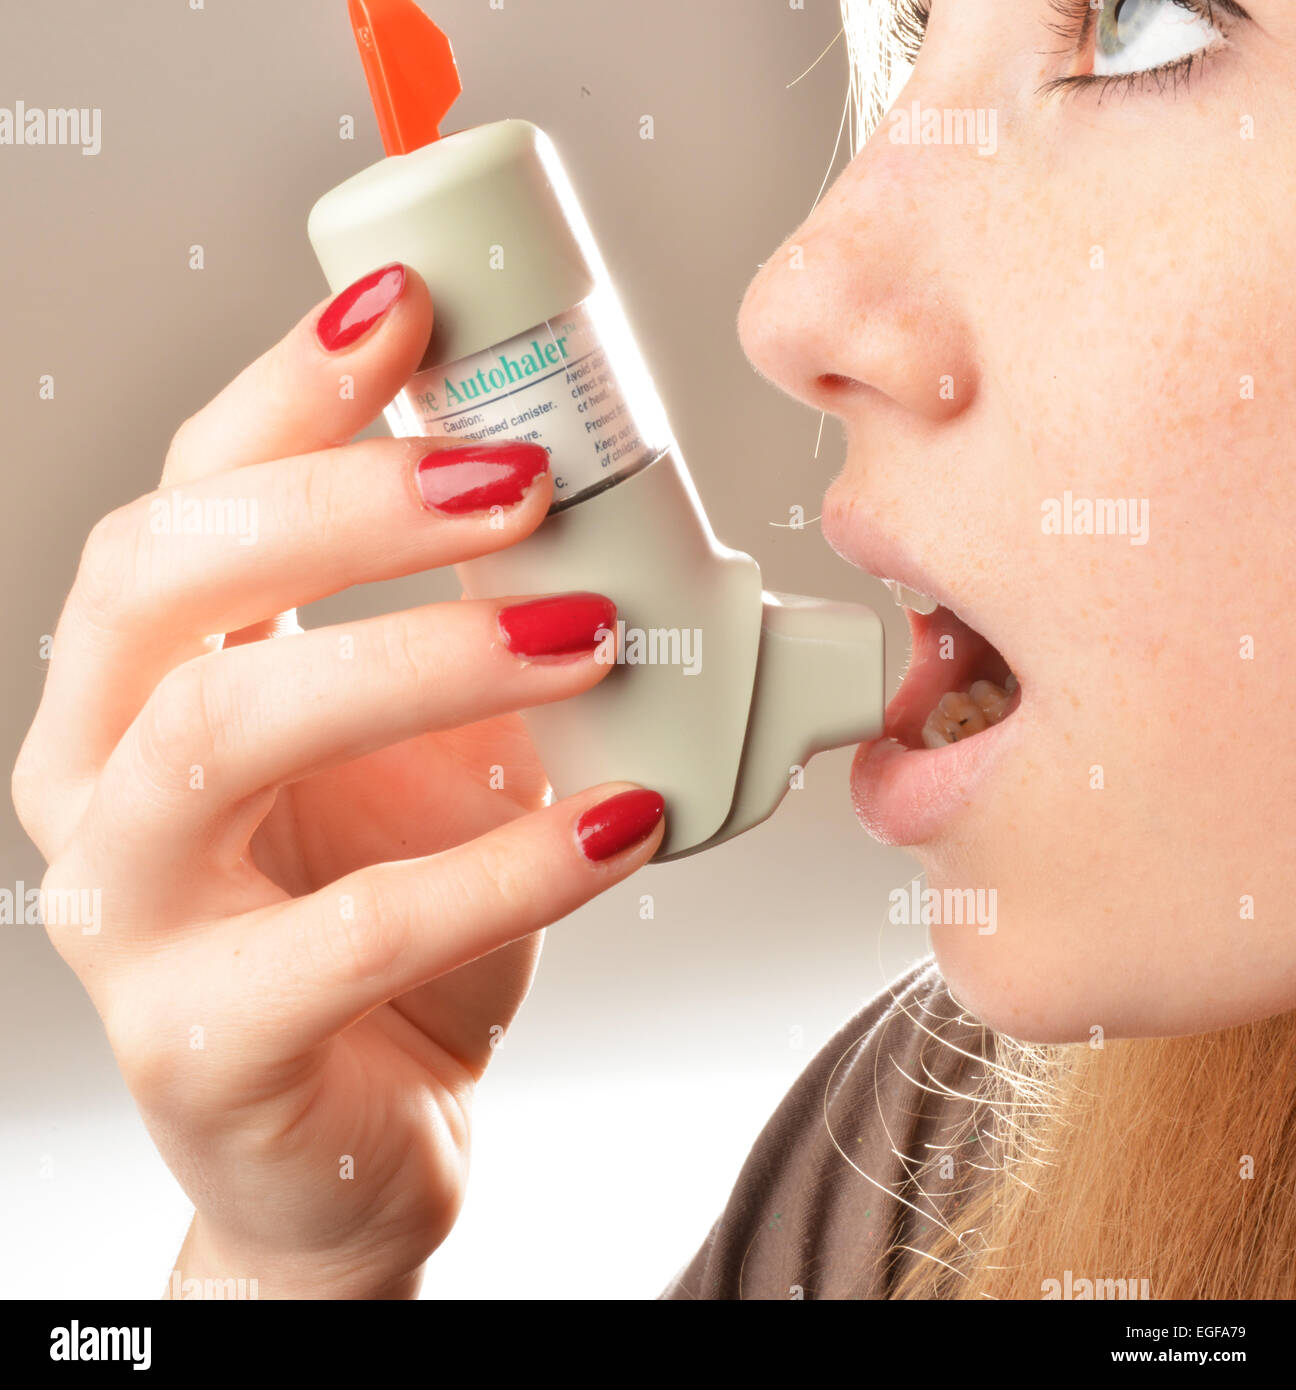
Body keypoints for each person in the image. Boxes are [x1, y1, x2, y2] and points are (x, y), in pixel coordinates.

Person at [14, 0, 1296, 1299]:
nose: (797, 307)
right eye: (915, 34)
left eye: (1142, 27)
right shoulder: (925, 1183)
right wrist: (295, 1260)